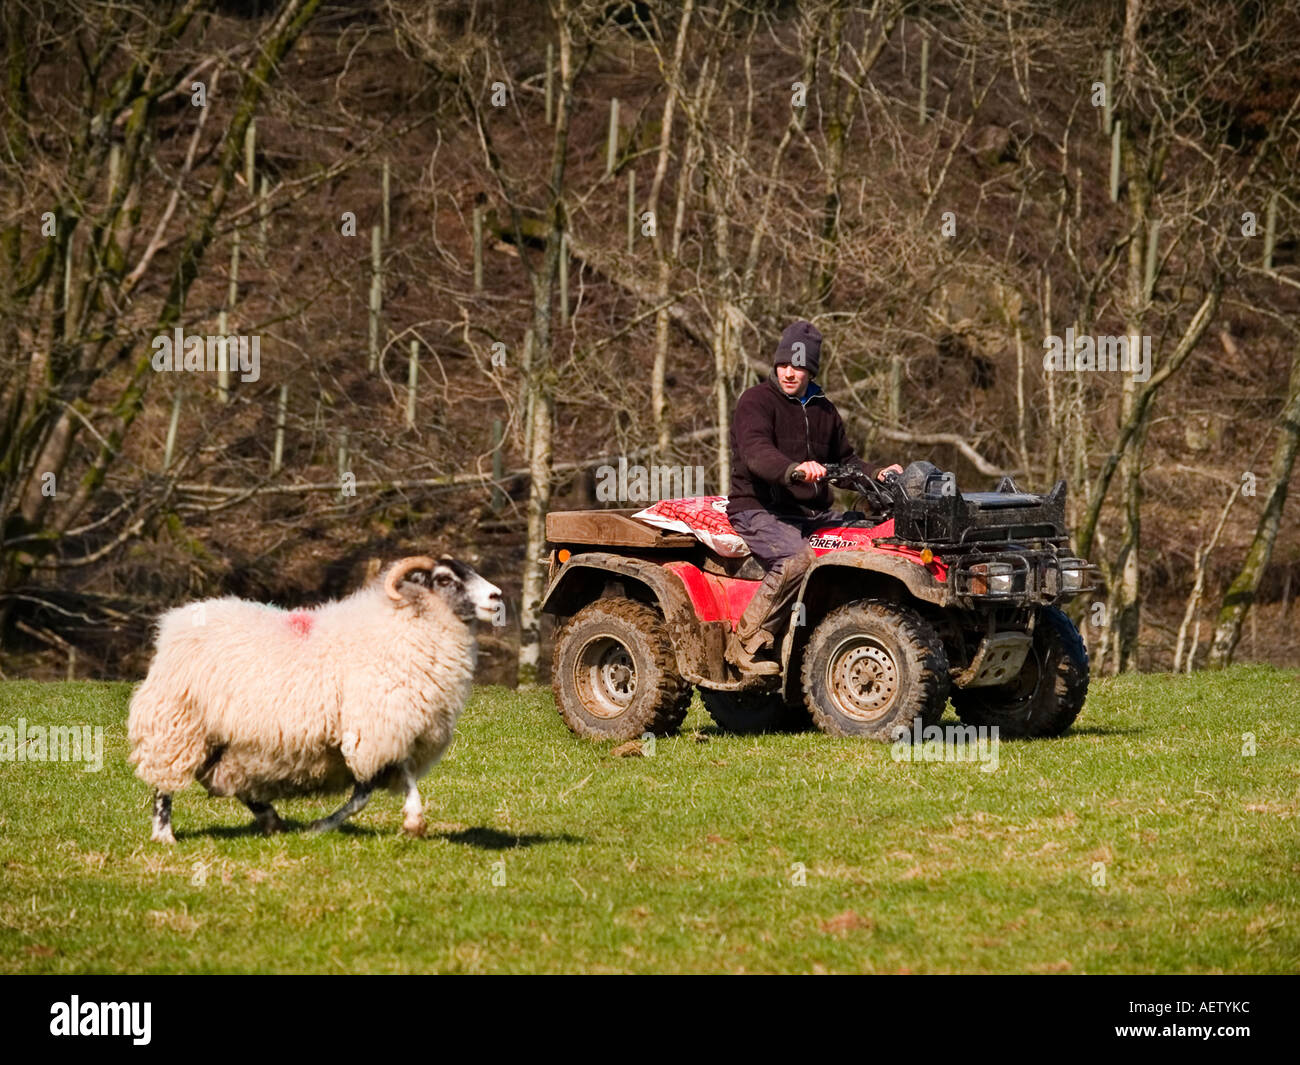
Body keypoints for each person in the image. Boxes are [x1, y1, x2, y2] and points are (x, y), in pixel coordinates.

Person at [724, 321, 901, 674]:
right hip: (760, 509)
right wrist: (793, 469)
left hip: (812, 513)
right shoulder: (756, 402)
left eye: (799, 366)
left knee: (874, 537)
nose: (790, 373)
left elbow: (846, 462)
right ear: (776, 364)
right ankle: (746, 642)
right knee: (797, 560)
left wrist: (877, 473)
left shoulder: (824, 411)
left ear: (811, 370)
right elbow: (757, 454)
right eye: (784, 364)